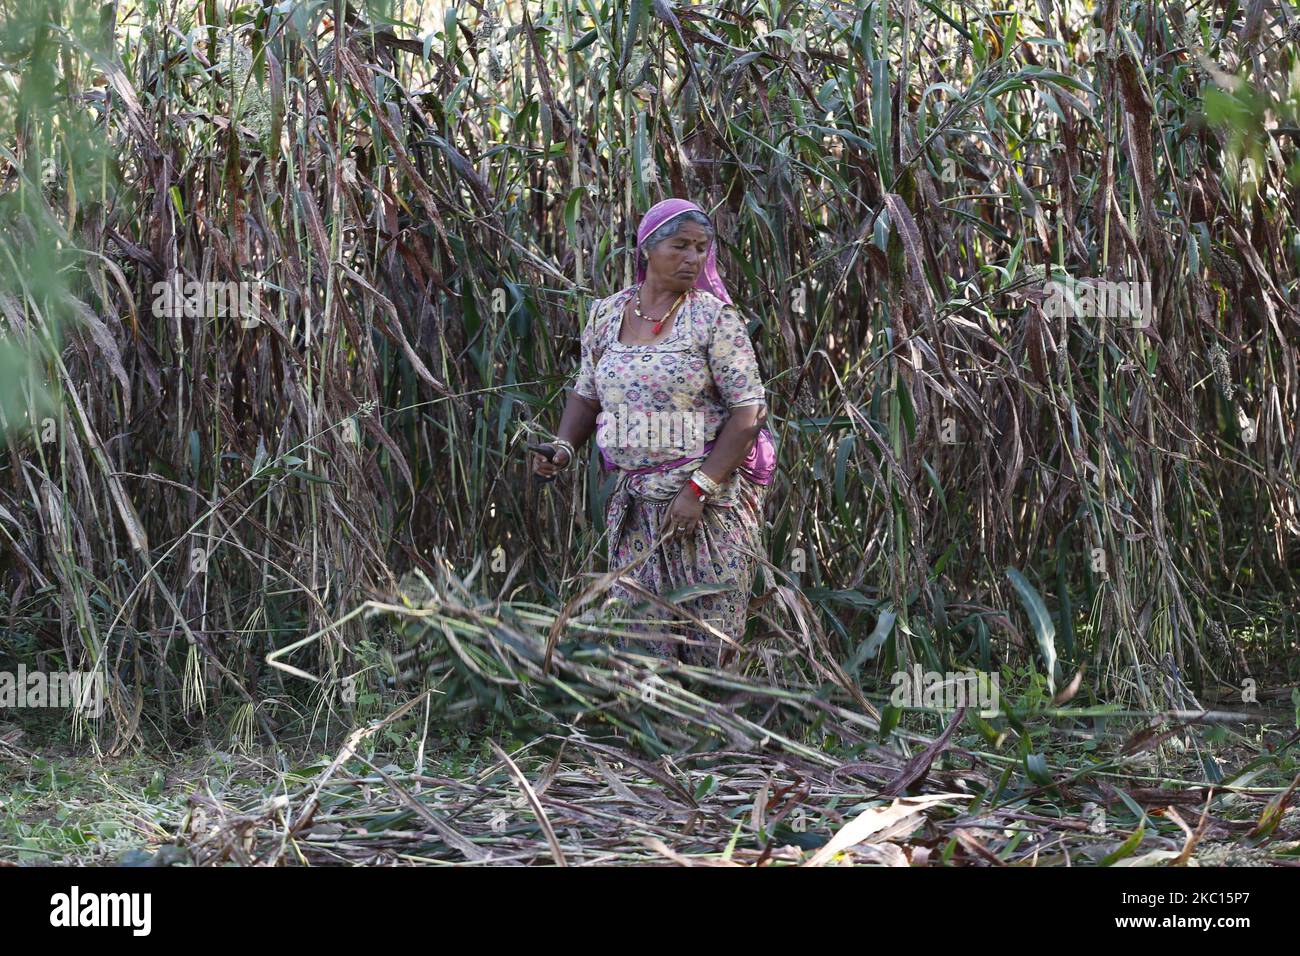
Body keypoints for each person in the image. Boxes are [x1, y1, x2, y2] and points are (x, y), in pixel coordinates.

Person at [530, 198, 775, 666]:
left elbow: (749, 413)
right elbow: (586, 394)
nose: (693, 258)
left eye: (702, 248)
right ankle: (653, 732)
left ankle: (718, 733)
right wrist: (562, 448)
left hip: (707, 508)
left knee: (710, 632)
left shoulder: (714, 319)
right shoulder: (606, 315)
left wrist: (698, 489)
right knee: (639, 635)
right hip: (635, 504)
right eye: (679, 245)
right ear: (647, 248)